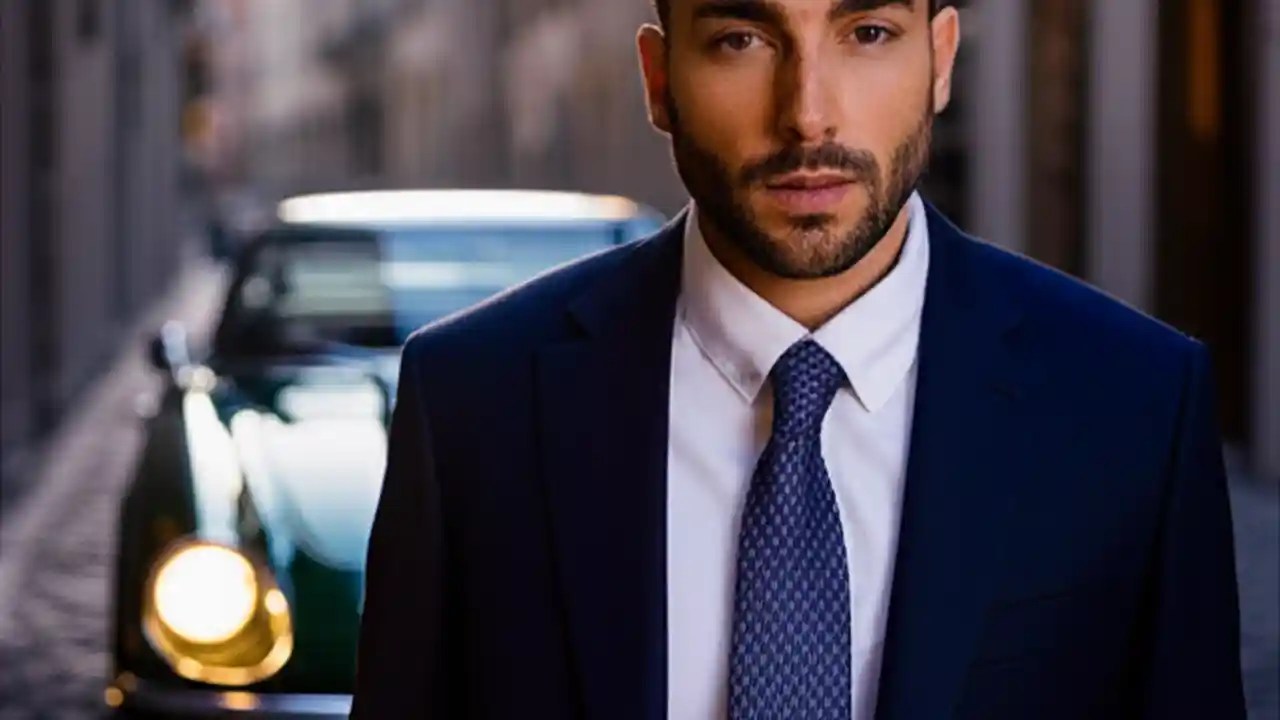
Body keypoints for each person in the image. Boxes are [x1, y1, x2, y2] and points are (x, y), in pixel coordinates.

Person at [352, 0, 1246, 717]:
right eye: (742, 37)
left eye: (866, 32)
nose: (808, 111)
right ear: (660, 80)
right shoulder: (472, 402)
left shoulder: (1135, 405)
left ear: (940, 60)